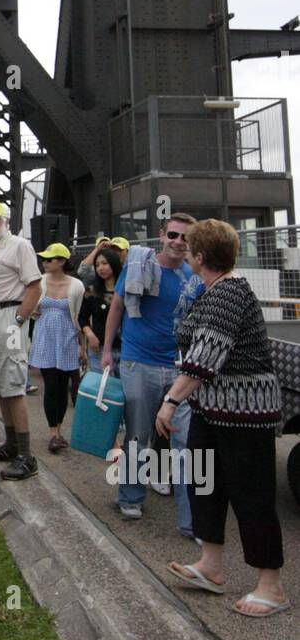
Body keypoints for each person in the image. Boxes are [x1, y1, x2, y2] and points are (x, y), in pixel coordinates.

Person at [155, 220, 289, 618]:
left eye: (190, 248)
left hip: (246, 415)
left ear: (199, 257)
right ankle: (211, 566)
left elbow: (204, 358)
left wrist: (169, 401)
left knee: (252, 496)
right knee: (203, 484)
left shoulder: (228, 294)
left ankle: (272, 586)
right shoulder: (209, 292)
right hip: (212, 411)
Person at [102, 214, 203, 533]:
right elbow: (117, 306)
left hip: (178, 367)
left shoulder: (192, 276)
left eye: (185, 238)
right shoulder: (138, 268)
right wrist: (107, 350)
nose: (178, 241)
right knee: (138, 435)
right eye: (173, 234)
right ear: (162, 235)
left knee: (186, 442)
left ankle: (192, 521)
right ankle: (130, 497)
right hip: (138, 362)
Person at [0, 201, 42, 480]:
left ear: (6, 221)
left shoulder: (19, 246)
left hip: (7, 316)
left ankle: (27, 456)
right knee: (1, 384)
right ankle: (11, 444)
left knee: (13, 383)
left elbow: (35, 287)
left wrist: (18, 321)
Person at [28, 243, 86, 453]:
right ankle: (53, 432)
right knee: (50, 386)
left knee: (63, 387)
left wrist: (82, 346)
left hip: (67, 341)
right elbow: (30, 308)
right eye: (43, 259)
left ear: (62, 261)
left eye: (49, 259)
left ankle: (59, 430)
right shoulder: (39, 283)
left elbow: (80, 317)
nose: (45, 262)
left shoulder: (77, 286)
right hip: (45, 340)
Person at [78, 245, 123, 375]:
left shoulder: (126, 291)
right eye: (97, 265)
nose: (100, 268)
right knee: (102, 390)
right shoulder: (92, 292)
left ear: (114, 264)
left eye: (105, 263)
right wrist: (90, 335)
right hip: (99, 349)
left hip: (126, 349)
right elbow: (82, 318)